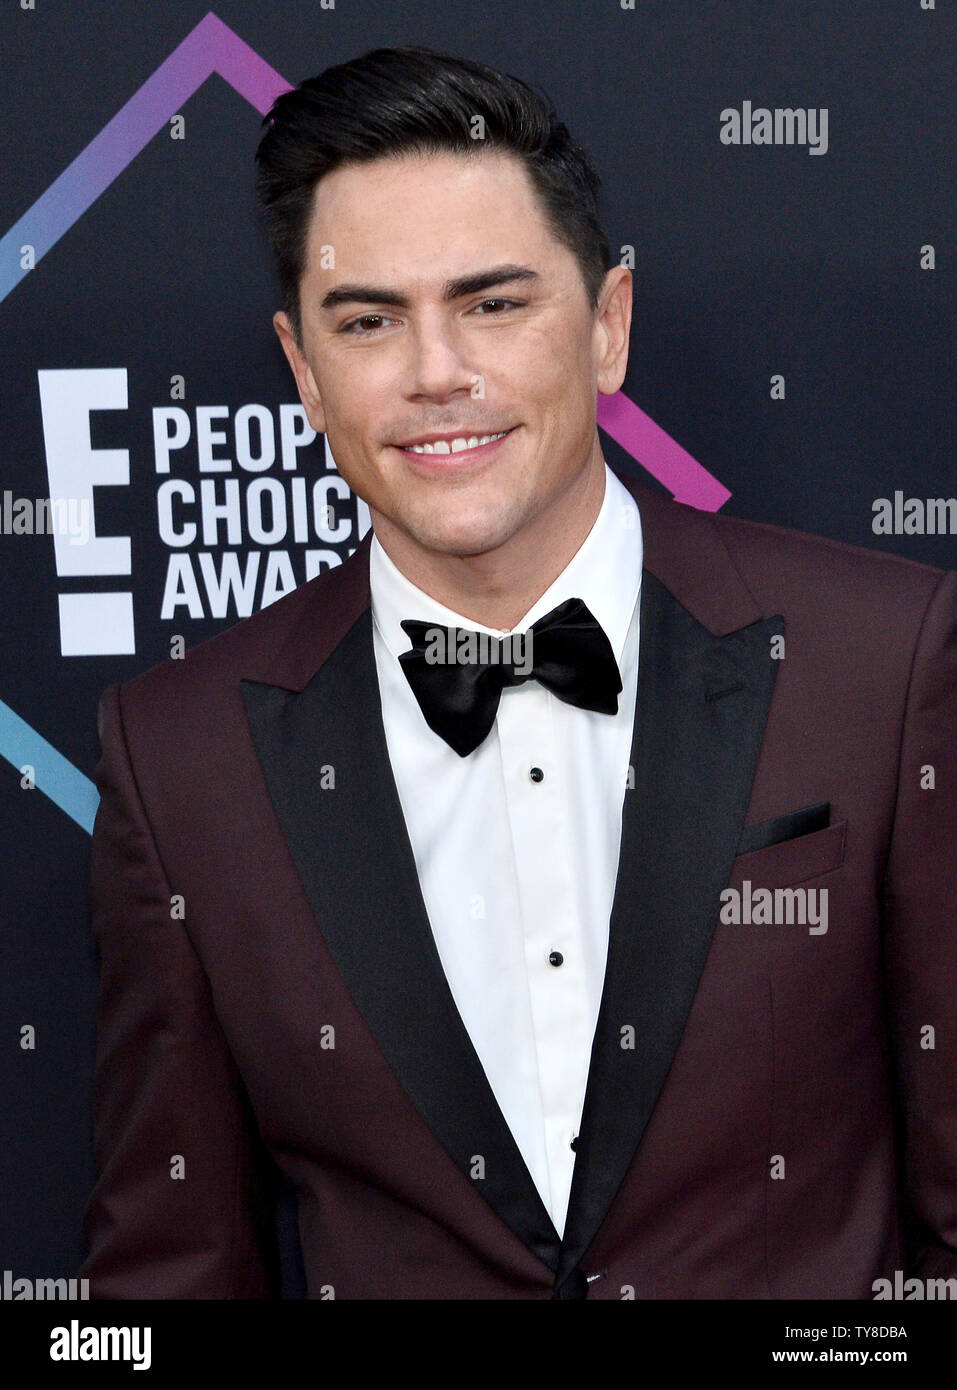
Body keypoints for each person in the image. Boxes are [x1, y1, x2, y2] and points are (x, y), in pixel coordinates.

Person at [78, 46, 957, 1299]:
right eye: (369, 320)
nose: (437, 372)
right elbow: (166, 1283)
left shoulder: (881, 660)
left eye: (494, 304)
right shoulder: (180, 758)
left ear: (608, 327)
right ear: (303, 372)